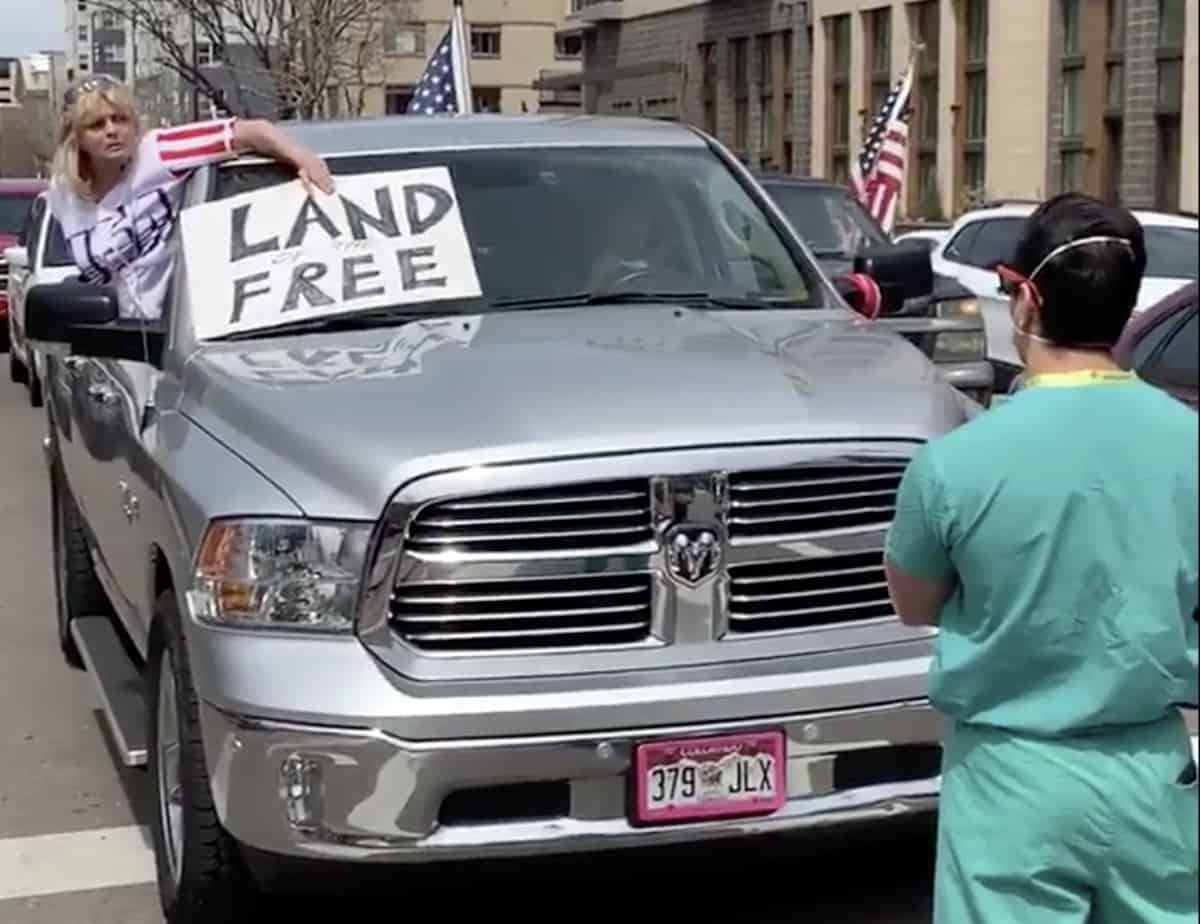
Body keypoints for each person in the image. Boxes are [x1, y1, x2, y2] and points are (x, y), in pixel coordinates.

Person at [884, 192, 1198, 924]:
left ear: (1024, 295)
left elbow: (914, 602)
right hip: (1152, 771)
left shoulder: (953, 465)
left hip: (1008, 781)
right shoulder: (1188, 442)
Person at [47, 73, 335, 322]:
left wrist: (303, 159)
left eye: (120, 119)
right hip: (112, 343)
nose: (112, 131)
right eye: (97, 125)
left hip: (169, 337)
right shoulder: (64, 194)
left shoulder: (159, 153)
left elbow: (249, 132)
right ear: (76, 137)